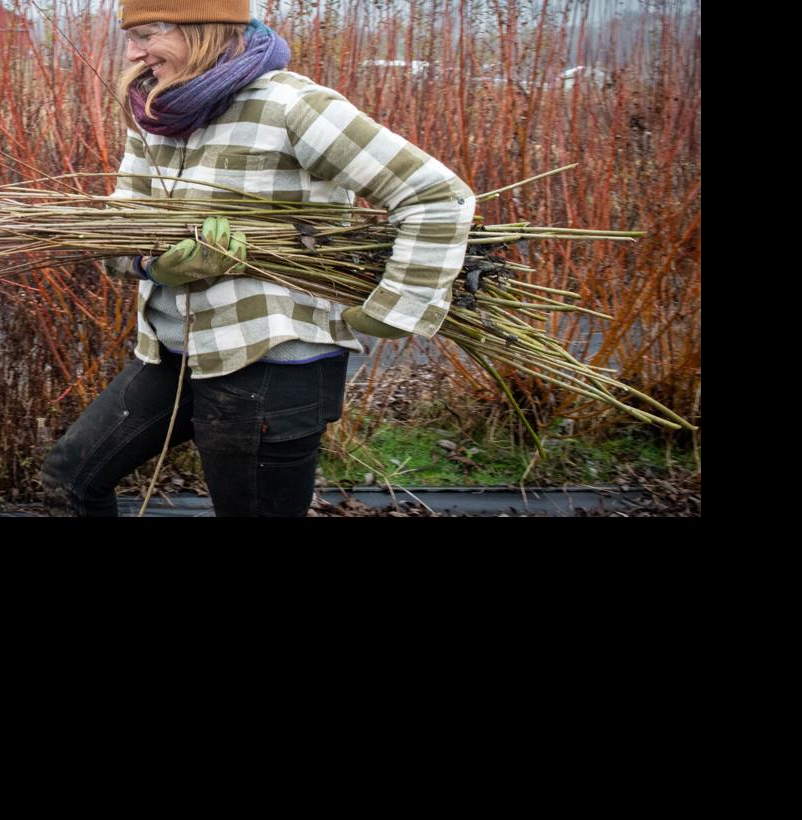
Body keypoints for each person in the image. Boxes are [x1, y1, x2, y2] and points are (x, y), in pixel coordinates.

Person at [39, 1, 476, 517]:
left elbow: (435, 195)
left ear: (204, 30)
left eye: (148, 34)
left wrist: (395, 306)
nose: (133, 53)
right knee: (71, 478)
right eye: (129, 37)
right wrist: (151, 266)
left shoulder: (293, 106)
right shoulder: (154, 110)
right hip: (172, 353)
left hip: (271, 365)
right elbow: (123, 224)